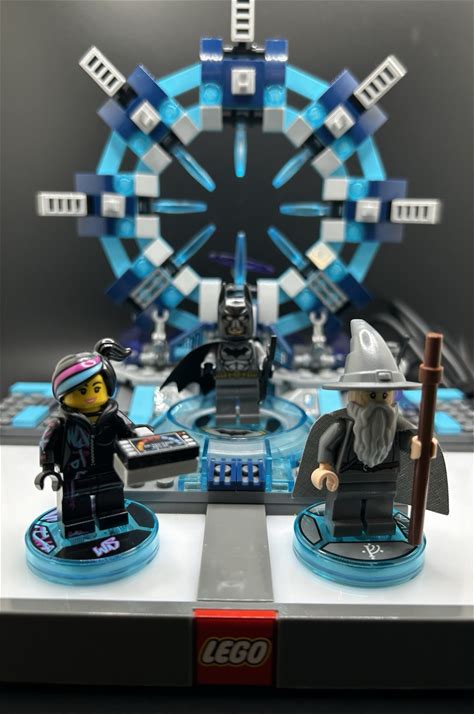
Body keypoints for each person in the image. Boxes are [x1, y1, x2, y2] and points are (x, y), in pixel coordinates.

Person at [293, 320, 449, 537]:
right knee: (344, 513)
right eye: (372, 395)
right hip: (347, 479)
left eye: (384, 395)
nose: (378, 402)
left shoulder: (394, 425)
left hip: (385, 480)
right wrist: (324, 468)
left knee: (380, 511)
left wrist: (418, 445)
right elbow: (327, 445)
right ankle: (343, 523)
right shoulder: (342, 426)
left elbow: (406, 441)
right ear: (354, 393)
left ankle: (379, 522)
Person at [35, 338, 140, 538]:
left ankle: (113, 521)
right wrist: (48, 468)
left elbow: (130, 433)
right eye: (82, 391)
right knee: (76, 509)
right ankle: (77, 528)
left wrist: (140, 440)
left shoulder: (114, 417)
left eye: (96, 388)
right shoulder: (61, 423)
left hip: (110, 469)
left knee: (112, 502)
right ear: (64, 394)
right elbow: (46, 444)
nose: (90, 395)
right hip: (75, 473)